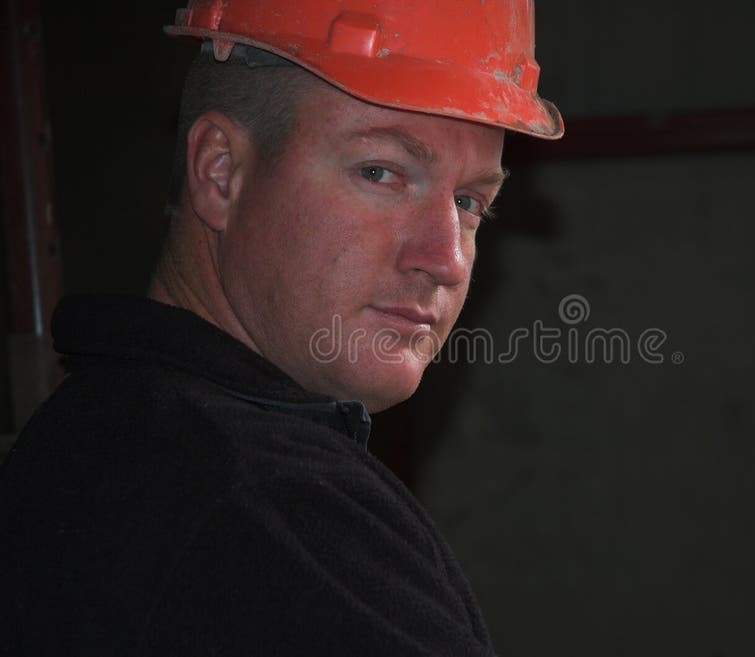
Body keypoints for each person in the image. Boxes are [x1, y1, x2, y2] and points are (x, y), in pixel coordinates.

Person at [0, 1, 562, 655]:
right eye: (379, 172)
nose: (447, 260)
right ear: (220, 172)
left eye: (469, 203)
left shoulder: (89, 441)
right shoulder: (270, 511)